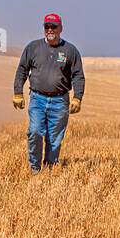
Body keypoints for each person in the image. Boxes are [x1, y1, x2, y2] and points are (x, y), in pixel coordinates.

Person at [13, 13, 85, 174]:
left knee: (54, 140)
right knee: (35, 132)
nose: (50, 29)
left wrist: (77, 98)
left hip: (60, 101)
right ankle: (35, 168)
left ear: (61, 28)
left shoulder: (70, 51)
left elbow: (78, 75)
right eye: (47, 26)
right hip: (37, 99)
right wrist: (18, 93)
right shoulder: (33, 48)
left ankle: (50, 169)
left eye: (54, 26)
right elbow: (22, 70)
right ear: (44, 28)